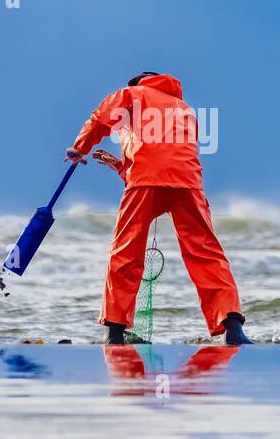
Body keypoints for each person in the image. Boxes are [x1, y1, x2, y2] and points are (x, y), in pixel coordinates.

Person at [66, 72, 250, 345]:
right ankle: (233, 327)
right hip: (188, 185)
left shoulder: (131, 95)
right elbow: (167, 157)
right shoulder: (185, 110)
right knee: (206, 254)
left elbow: (100, 118)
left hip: (145, 183)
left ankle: (115, 332)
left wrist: (79, 148)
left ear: (138, 82)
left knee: (126, 252)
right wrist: (120, 166)